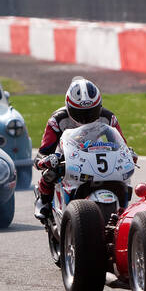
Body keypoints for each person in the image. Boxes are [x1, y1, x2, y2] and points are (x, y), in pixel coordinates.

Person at [34, 77, 126, 218]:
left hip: (98, 152)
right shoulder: (58, 119)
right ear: (69, 107)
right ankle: (44, 201)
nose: (85, 118)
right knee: (50, 173)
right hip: (65, 155)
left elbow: (121, 144)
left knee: (121, 174)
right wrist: (47, 159)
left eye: (91, 112)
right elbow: (42, 153)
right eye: (80, 113)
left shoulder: (108, 117)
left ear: (99, 106)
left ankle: (123, 209)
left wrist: (127, 153)